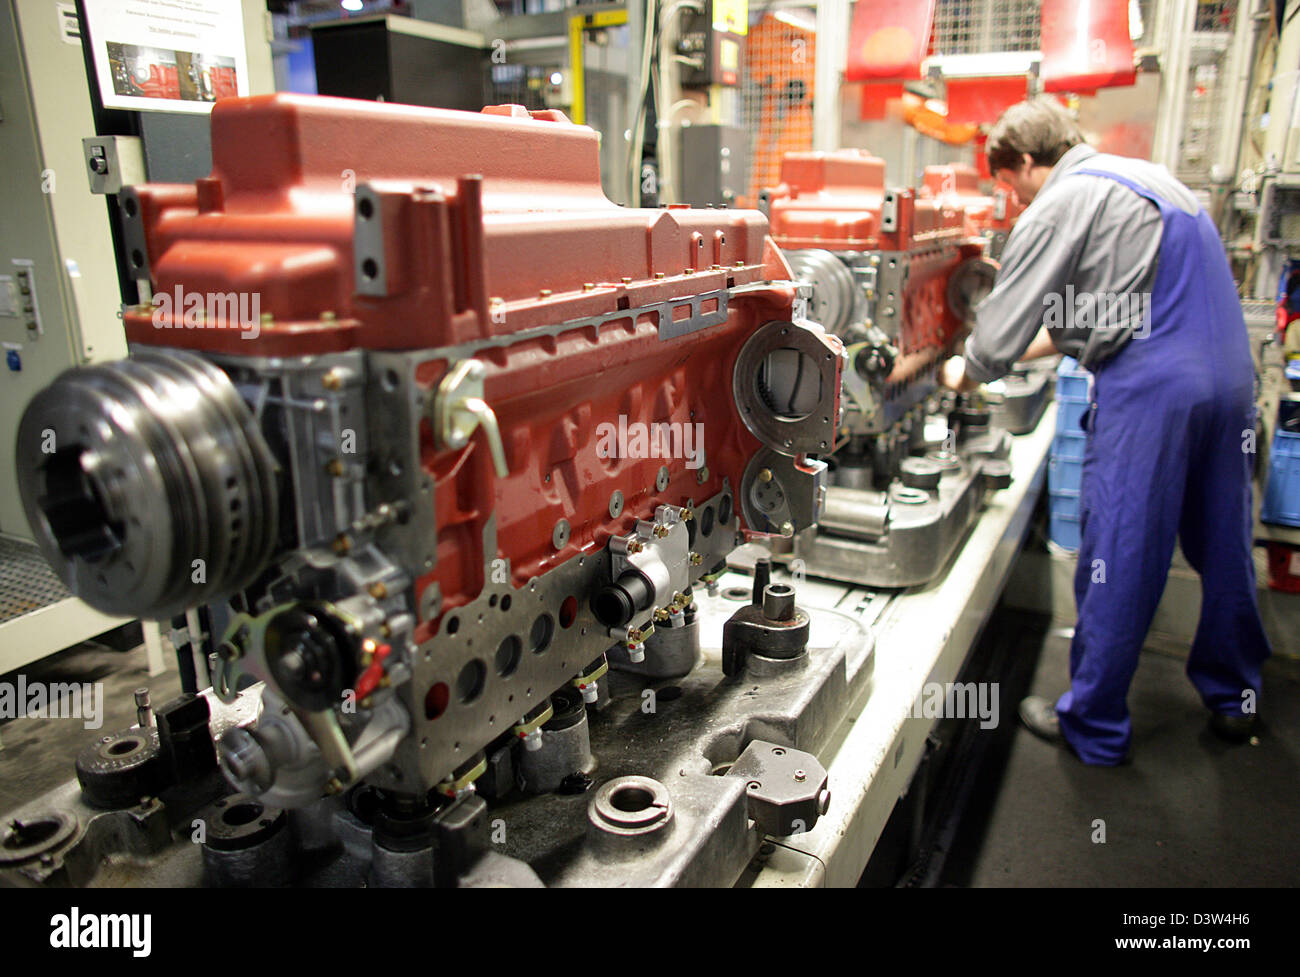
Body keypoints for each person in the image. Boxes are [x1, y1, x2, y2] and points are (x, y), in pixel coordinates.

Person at [942, 97, 1272, 765]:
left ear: (1029, 164)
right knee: (1224, 540)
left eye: (1008, 183)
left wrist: (964, 370)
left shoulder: (1061, 201)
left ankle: (1092, 722)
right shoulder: (1153, 181)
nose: (1010, 199)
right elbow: (1089, 320)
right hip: (1231, 380)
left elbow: (999, 335)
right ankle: (1237, 698)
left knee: (1119, 550)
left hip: (1152, 390)